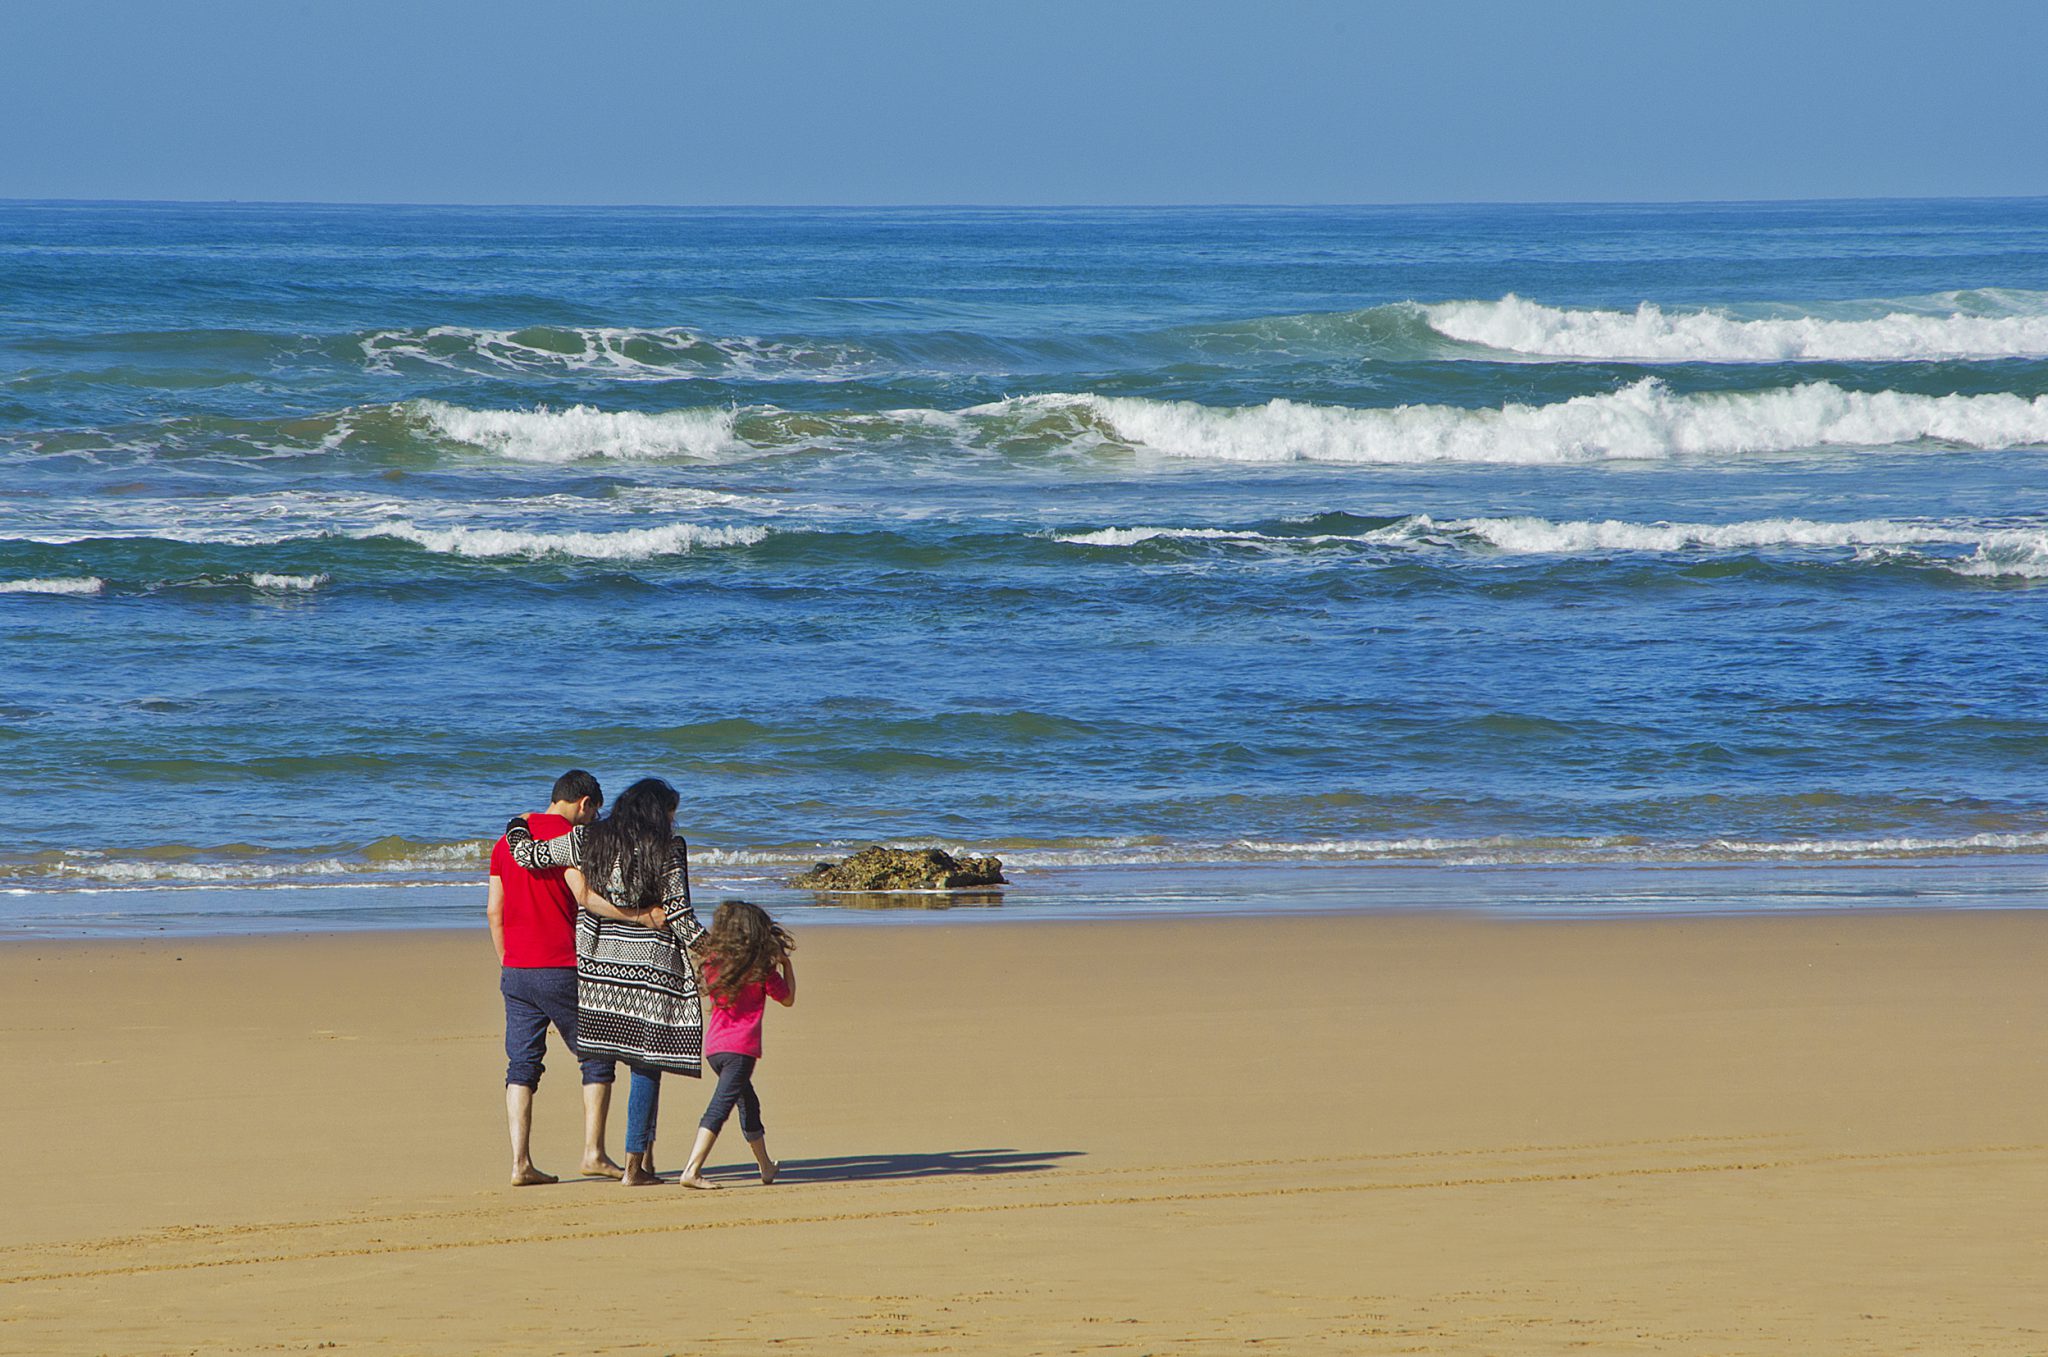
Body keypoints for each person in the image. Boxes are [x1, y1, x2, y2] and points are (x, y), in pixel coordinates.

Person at [506, 776, 706, 1187]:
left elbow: (526, 855)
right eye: (671, 812)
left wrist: (516, 822)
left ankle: (638, 1161)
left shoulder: (587, 839)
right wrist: (721, 950)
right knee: (647, 1063)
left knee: (610, 1057)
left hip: (598, 966)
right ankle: (636, 1164)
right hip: (650, 965)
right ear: (658, 813)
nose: (674, 820)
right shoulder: (669, 848)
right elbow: (680, 914)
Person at [486, 769, 621, 1186]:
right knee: (597, 1056)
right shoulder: (569, 842)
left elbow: (494, 910)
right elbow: (583, 896)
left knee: (522, 1066)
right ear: (584, 804)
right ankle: (594, 1153)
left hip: (517, 970)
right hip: (561, 965)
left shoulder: (507, 842)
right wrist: (640, 917)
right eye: (594, 812)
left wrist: (508, 961)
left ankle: (520, 1163)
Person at [677, 900, 796, 1190]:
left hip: (715, 1049)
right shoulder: (761, 970)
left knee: (748, 1103)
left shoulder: (714, 963)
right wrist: (785, 963)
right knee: (720, 1107)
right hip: (740, 1051)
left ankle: (766, 1166)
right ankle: (692, 1169)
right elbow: (789, 998)